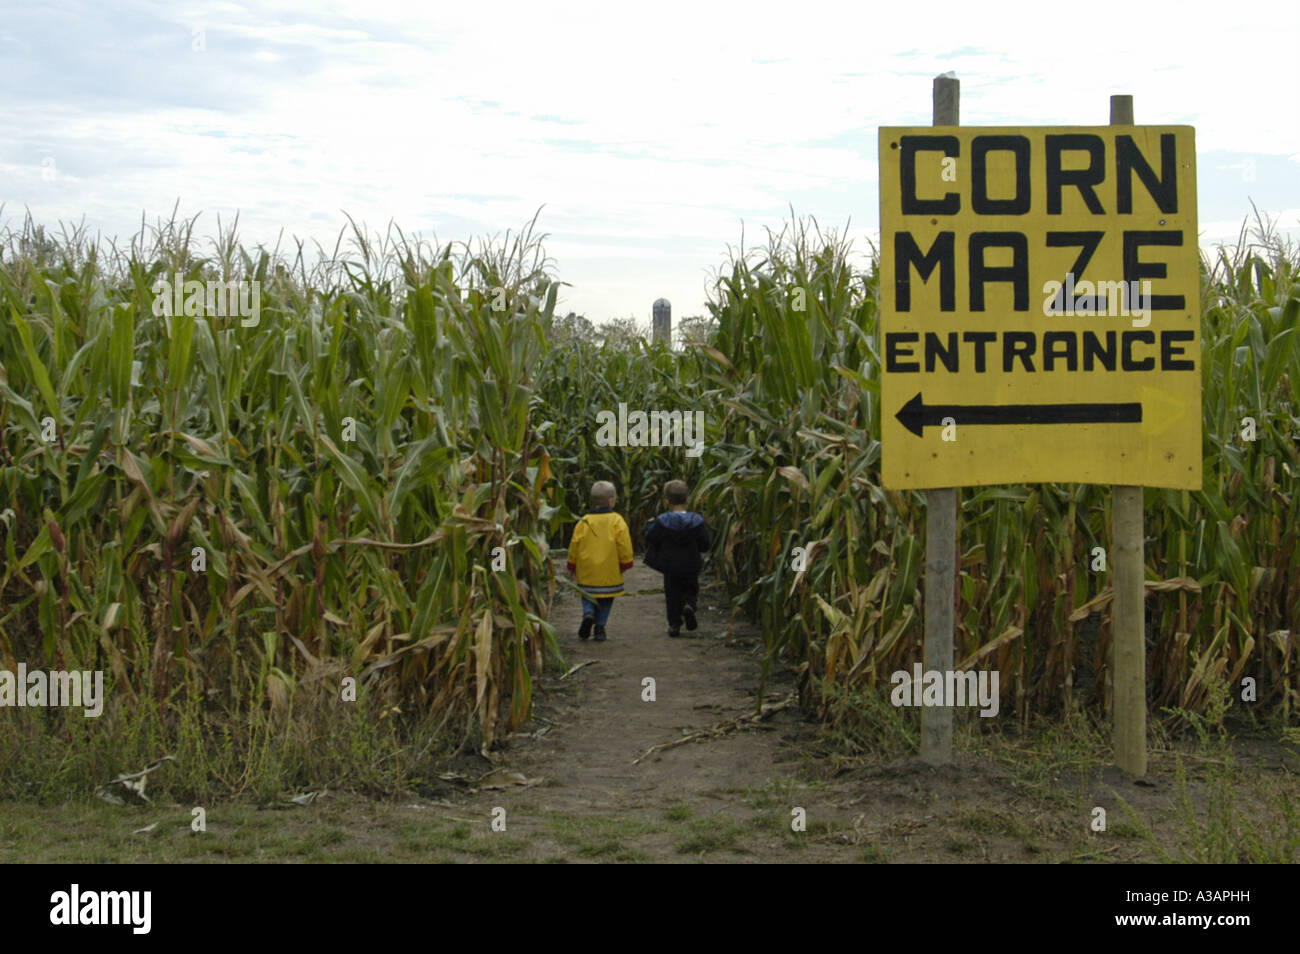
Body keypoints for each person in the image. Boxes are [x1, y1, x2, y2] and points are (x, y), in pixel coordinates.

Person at [566, 480, 634, 642]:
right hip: (609, 569)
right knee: (607, 598)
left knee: (587, 595)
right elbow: (623, 543)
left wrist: (572, 564)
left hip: (587, 569)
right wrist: (626, 562)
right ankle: (600, 628)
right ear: (611, 501)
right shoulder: (617, 520)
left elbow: (574, 543)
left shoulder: (584, 521)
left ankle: (588, 613)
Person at [643, 480, 711, 638]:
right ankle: (689, 605)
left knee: (672, 594)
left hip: (670, 565)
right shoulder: (696, 520)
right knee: (691, 589)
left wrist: (649, 526)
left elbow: (652, 537)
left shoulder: (662, 521)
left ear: (666, 501)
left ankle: (674, 624)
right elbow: (705, 544)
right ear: (687, 500)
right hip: (691, 563)